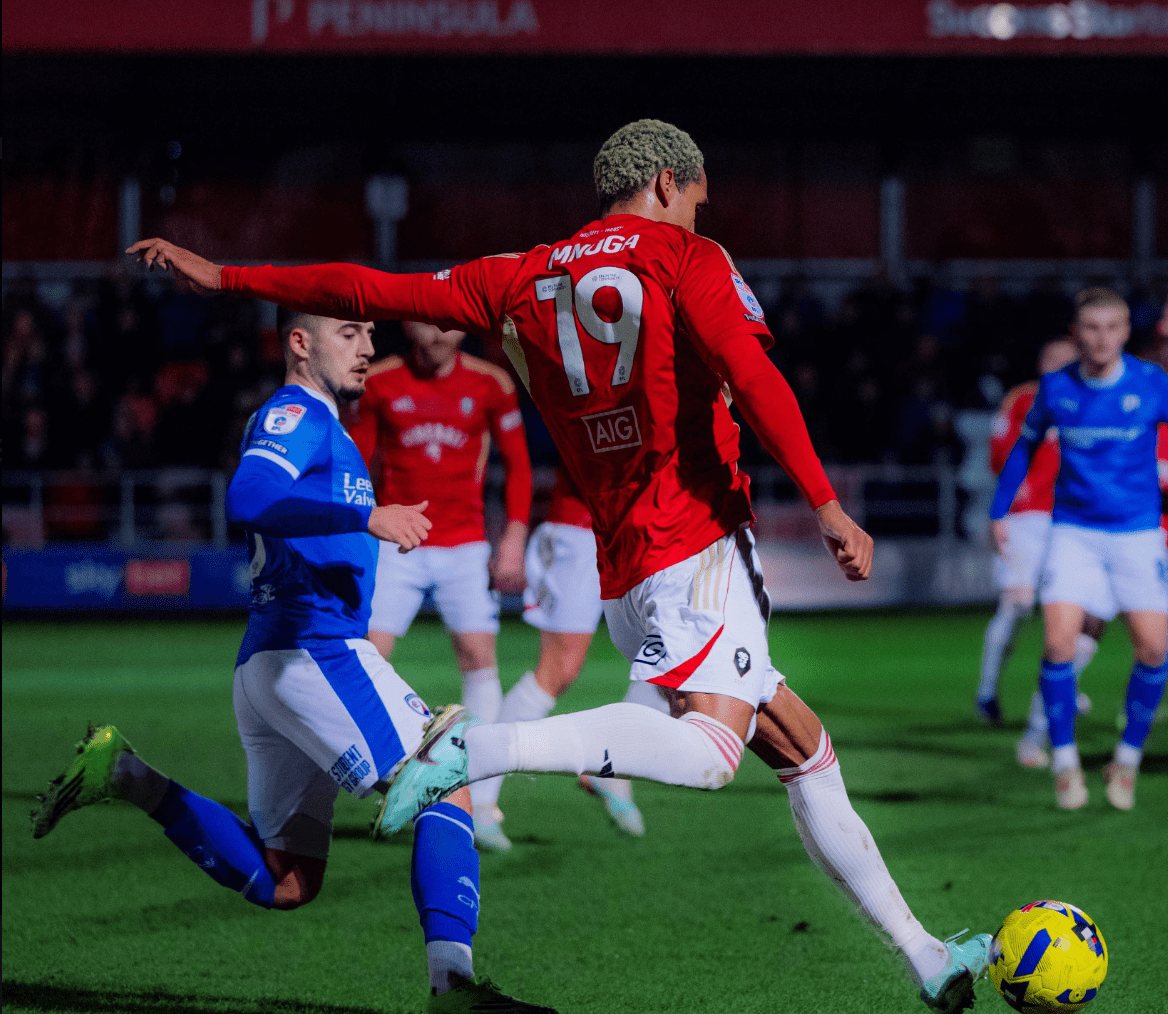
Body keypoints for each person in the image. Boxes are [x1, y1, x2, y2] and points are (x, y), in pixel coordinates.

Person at [129, 118, 993, 1013]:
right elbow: (754, 373)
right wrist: (825, 502)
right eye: (697, 200)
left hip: (624, 561)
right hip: (692, 539)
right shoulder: (684, 259)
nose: (700, 216)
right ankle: (476, 749)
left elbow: (367, 287)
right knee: (709, 757)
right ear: (666, 181)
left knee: (805, 750)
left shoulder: (522, 275)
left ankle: (925, 955)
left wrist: (228, 276)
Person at [31, 308, 556, 1014]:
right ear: (300, 343)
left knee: (288, 881)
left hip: (272, 662)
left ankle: (126, 774)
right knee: (446, 781)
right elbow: (247, 496)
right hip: (314, 651)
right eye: (350, 333)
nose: (369, 346)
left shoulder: (321, 424)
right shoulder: (295, 413)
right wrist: (367, 517)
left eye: (372, 333)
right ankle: (453, 988)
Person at [346, 319, 532, 851]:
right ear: (408, 329)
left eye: (446, 332)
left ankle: (484, 803)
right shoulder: (380, 381)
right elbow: (358, 463)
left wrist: (514, 536)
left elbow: (518, 467)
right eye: (426, 332)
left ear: (462, 334)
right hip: (397, 543)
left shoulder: (491, 383)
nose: (435, 342)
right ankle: (398, 767)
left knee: (478, 657)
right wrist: (362, 527)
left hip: (465, 543)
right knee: (367, 657)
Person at [990, 287, 1168, 811]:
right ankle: (1065, 763)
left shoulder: (1151, 384)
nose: (1101, 338)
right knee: (1059, 645)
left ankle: (1127, 760)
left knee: (1155, 651)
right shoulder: (1056, 388)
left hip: (1137, 535)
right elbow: (1024, 445)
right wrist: (999, 511)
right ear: (1077, 333)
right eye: (1091, 328)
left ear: (1126, 332)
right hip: (1073, 534)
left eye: (1112, 327)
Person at [474, 465, 665, 841]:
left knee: (671, 655)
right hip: (583, 527)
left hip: (650, 527)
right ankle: (476, 798)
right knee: (558, 670)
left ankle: (614, 769)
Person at [978, 338, 1107, 765]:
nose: (1058, 367)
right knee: (1018, 608)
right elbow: (1001, 454)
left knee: (1081, 619)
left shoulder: (1093, 399)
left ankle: (1052, 704)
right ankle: (989, 693)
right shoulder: (1024, 399)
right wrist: (1008, 504)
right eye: (1051, 359)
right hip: (1027, 519)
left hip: (1075, 521)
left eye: (1066, 361)